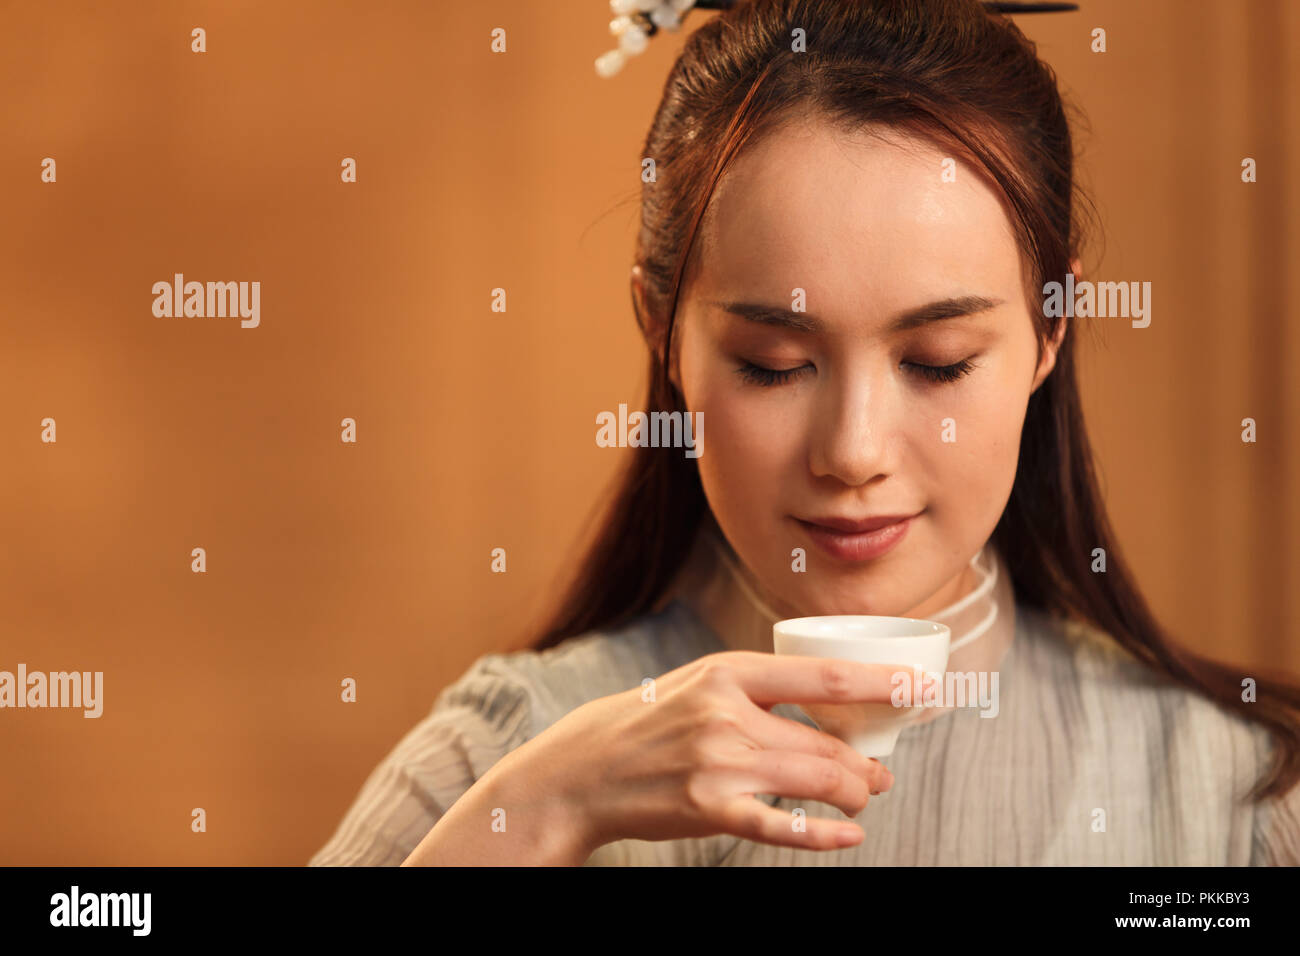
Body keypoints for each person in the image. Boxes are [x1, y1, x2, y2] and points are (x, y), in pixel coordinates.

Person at [310, 0, 1300, 866]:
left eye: (938, 358)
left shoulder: (1231, 791)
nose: (854, 451)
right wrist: (542, 814)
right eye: (774, 366)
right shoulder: (505, 758)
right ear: (661, 331)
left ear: (1050, 327)